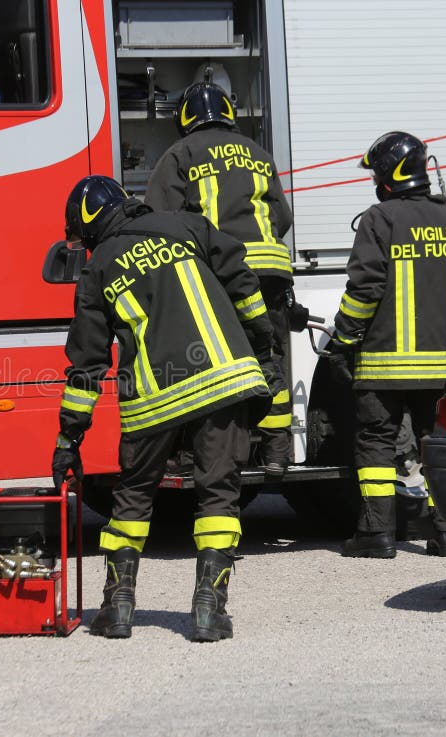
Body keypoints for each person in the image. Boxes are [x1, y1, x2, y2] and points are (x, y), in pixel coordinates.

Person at [51, 175, 275, 641]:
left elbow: (87, 364)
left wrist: (69, 438)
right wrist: (261, 340)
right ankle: (209, 611)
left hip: (152, 402)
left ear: (90, 228)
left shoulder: (97, 269)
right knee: (218, 496)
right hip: (223, 382)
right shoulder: (186, 226)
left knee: (132, 496)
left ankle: (117, 610)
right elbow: (241, 277)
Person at [145, 81, 295, 477]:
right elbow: (283, 216)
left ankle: (204, 454)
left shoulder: (181, 153)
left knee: (214, 361)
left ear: (185, 118)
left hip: (222, 272)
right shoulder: (259, 154)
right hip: (272, 272)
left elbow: (161, 219)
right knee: (270, 357)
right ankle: (277, 453)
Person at [331, 131, 446, 559]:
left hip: (384, 361)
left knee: (376, 442)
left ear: (388, 176)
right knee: (437, 443)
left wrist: (343, 337)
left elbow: (364, 288)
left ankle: (377, 534)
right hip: (442, 364)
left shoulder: (380, 218)